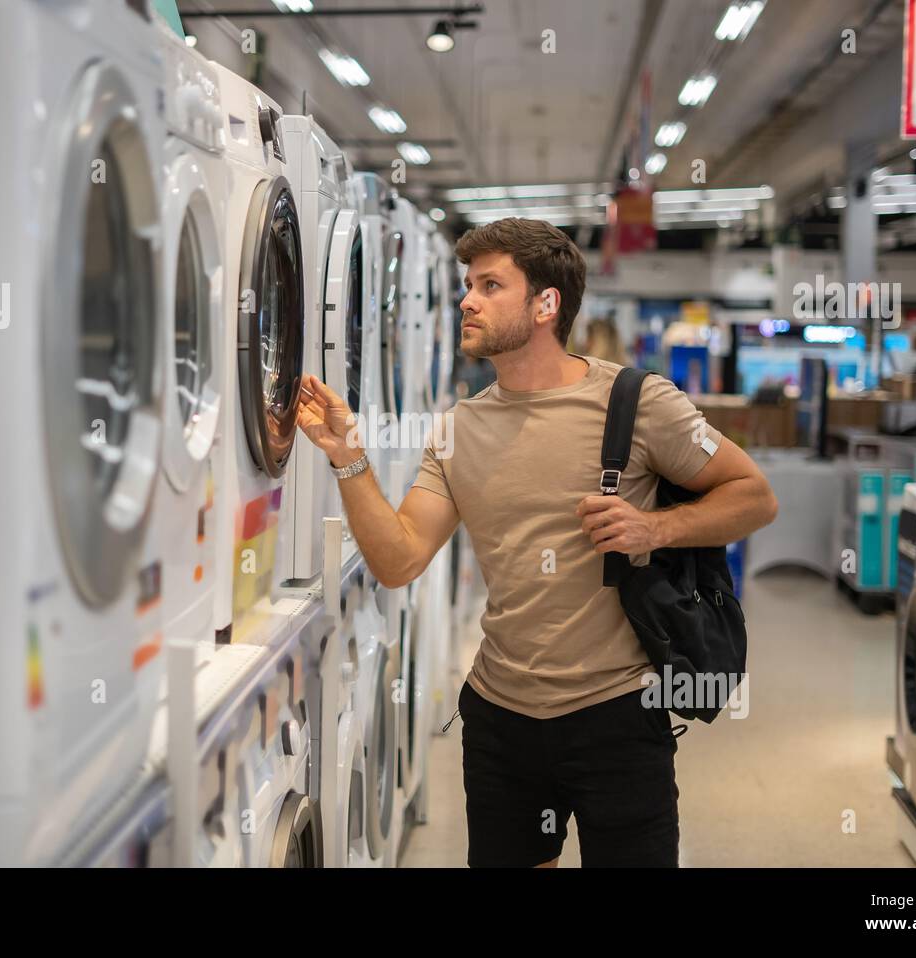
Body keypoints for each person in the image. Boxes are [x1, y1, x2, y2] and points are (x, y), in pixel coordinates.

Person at [294, 217, 778, 868]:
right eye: (467, 285)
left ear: (546, 303)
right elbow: (399, 557)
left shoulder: (635, 403)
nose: (467, 299)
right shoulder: (459, 428)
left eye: (490, 285)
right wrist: (348, 458)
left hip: (618, 716)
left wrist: (657, 527)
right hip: (500, 718)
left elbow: (754, 495)